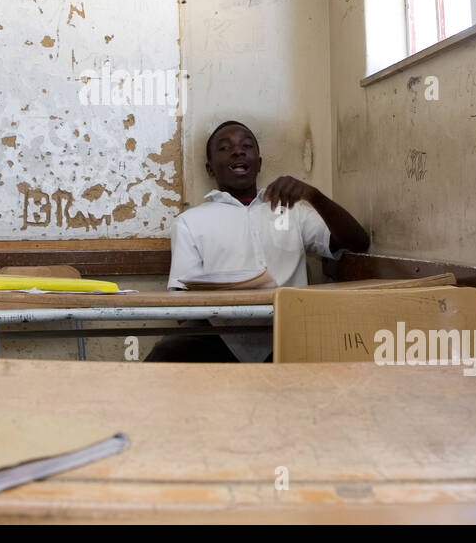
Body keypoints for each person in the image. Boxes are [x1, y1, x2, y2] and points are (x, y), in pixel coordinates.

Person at [149, 121, 370, 363]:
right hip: (221, 335)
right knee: (166, 353)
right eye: (225, 148)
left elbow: (358, 242)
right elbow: (182, 303)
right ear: (210, 168)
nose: (238, 151)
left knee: (340, 351)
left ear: (260, 163)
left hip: (289, 328)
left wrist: (313, 195)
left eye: (246, 145)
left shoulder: (292, 210)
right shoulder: (189, 222)